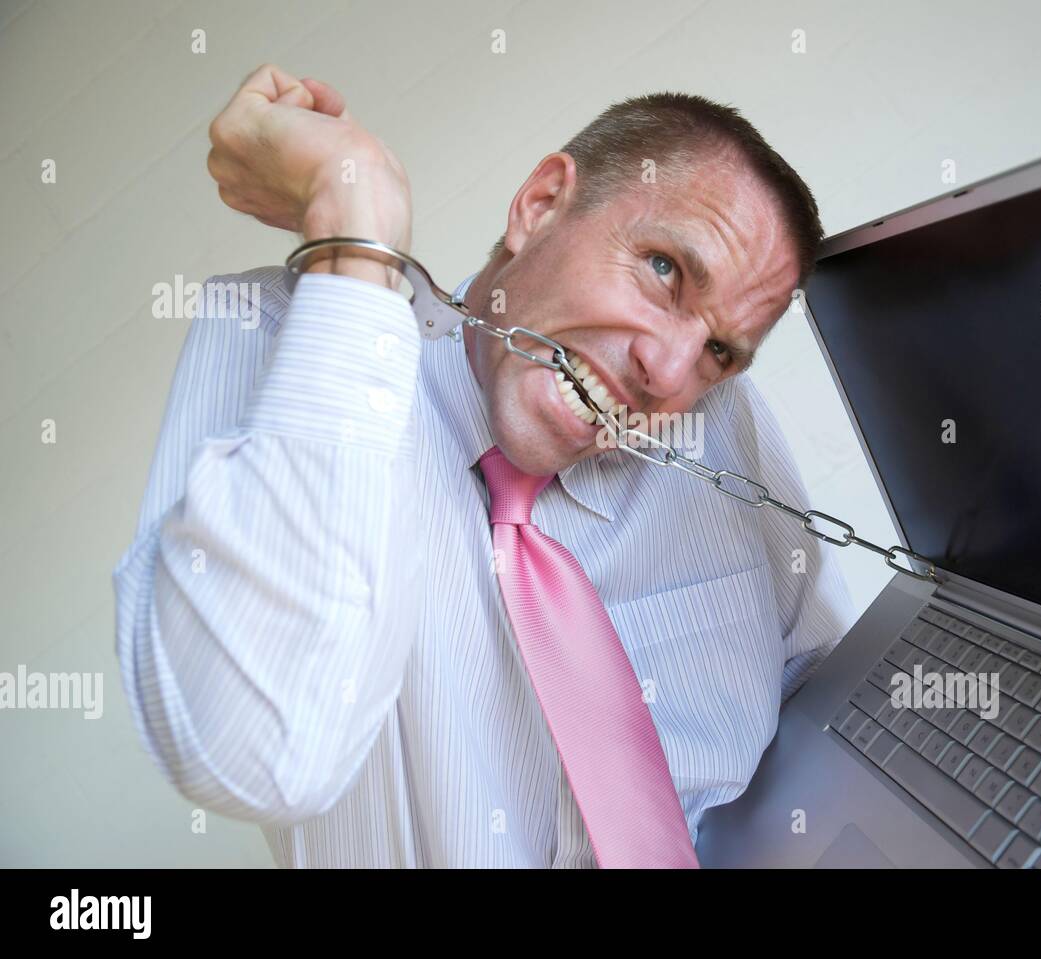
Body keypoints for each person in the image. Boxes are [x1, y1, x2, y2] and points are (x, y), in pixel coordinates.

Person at [113, 64, 854, 867]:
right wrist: (356, 230)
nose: (669, 372)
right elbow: (255, 753)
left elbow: (825, 696)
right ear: (540, 206)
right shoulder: (282, 335)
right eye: (665, 269)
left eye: (718, 350)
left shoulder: (713, 424)